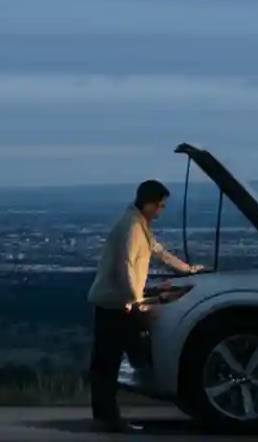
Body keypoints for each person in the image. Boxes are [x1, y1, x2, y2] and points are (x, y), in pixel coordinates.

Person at [87, 179, 203, 433]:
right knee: (112, 361)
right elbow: (127, 266)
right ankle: (109, 418)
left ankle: (106, 415)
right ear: (149, 203)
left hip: (118, 303)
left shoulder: (139, 224)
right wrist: (135, 301)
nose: (161, 210)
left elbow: (159, 253)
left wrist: (188, 269)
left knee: (112, 360)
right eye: (160, 205)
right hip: (116, 304)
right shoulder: (132, 227)